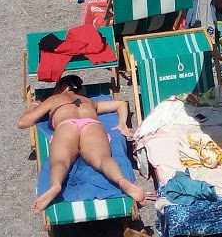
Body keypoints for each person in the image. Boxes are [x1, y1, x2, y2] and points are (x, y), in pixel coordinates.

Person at [17, 75, 148, 210]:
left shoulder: (54, 99)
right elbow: (121, 104)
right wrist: (122, 124)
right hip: (91, 124)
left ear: (61, 87)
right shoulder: (88, 101)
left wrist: (35, 104)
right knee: (103, 159)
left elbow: (23, 122)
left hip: (66, 126)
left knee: (60, 161)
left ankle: (56, 185)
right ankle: (122, 181)